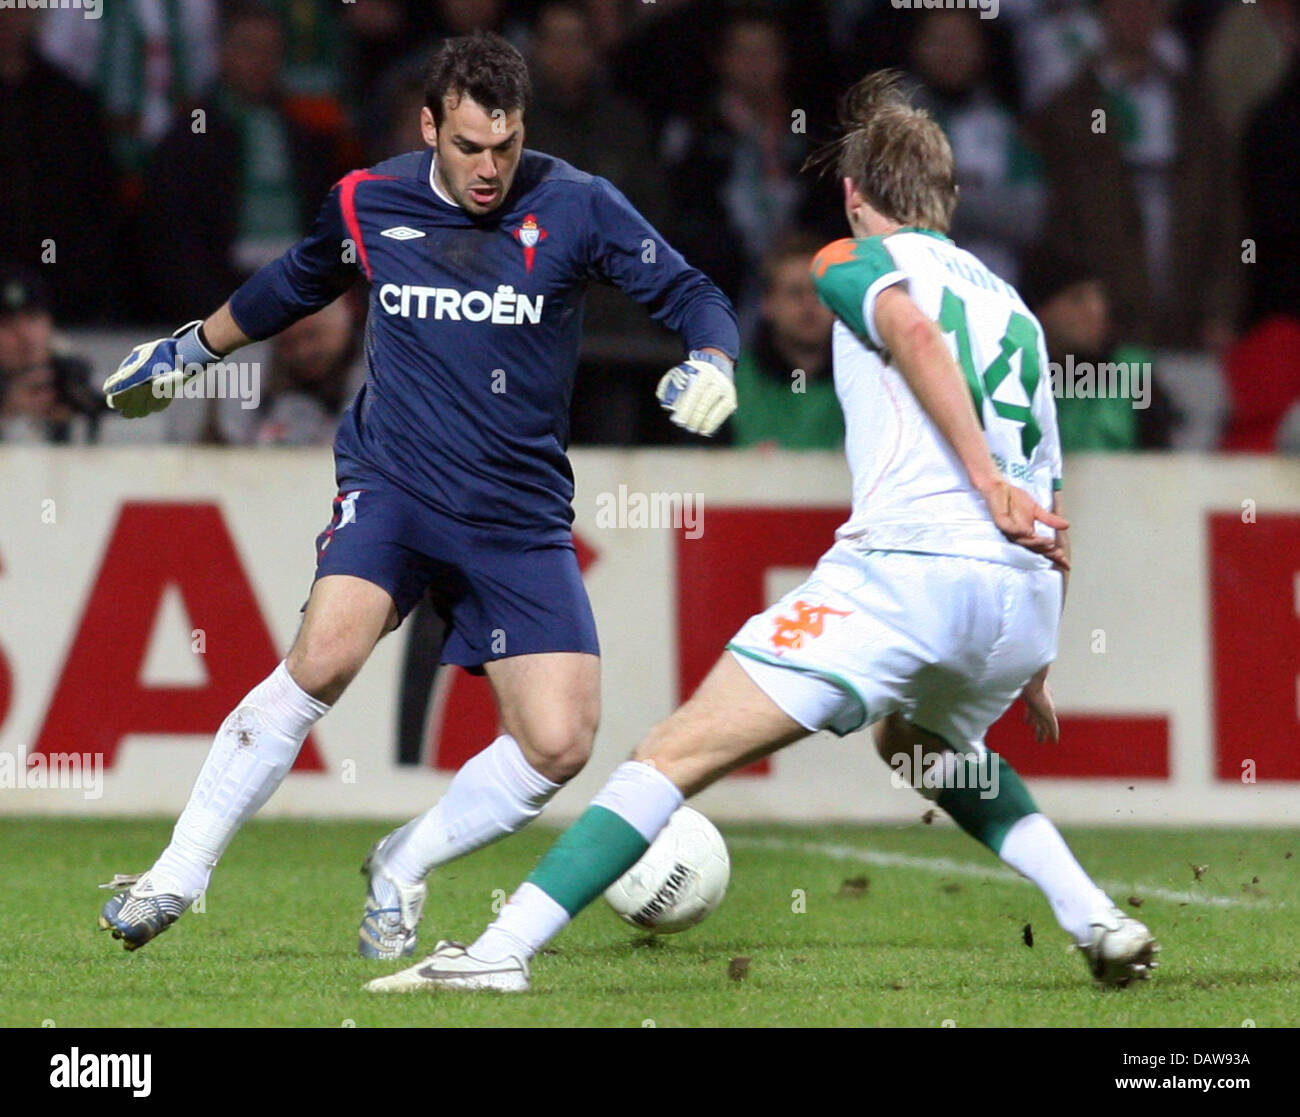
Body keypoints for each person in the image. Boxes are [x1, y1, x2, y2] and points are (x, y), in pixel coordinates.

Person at [364, 71, 1160, 995]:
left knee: (670, 753)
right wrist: (1038, 649)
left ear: (856, 195)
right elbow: (1049, 481)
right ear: (948, 196)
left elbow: (909, 329)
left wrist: (979, 479)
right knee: (917, 742)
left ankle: (499, 953)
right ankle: (1095, 916)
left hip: (912, 574)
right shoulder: (1015, 309)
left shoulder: (848, 262)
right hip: (1018, 597)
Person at [97, 32, 739, 959]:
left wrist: (712, 357)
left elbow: (691, 293)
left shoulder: (579, 205)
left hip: (517, 512)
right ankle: (176, 873)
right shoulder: (367, 200)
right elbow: (294, 282)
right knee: (325, 655)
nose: (489, 169)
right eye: (470, 146)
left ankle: (403, 859)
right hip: (394, 485)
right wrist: (192, 350)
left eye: (506, 147)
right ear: (430, 125)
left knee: (560, 742)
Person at [730, 232, 841, 451]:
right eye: (794, 293)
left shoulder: (868, 377)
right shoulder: (730, 381)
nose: (809, 305)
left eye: (820, 293)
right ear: (767, 303)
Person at [0, 266, 102, 444]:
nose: (25, 335)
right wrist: (7, 414)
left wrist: (79, 415)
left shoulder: (76, 374)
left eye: (33, 318)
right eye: (7, 324)